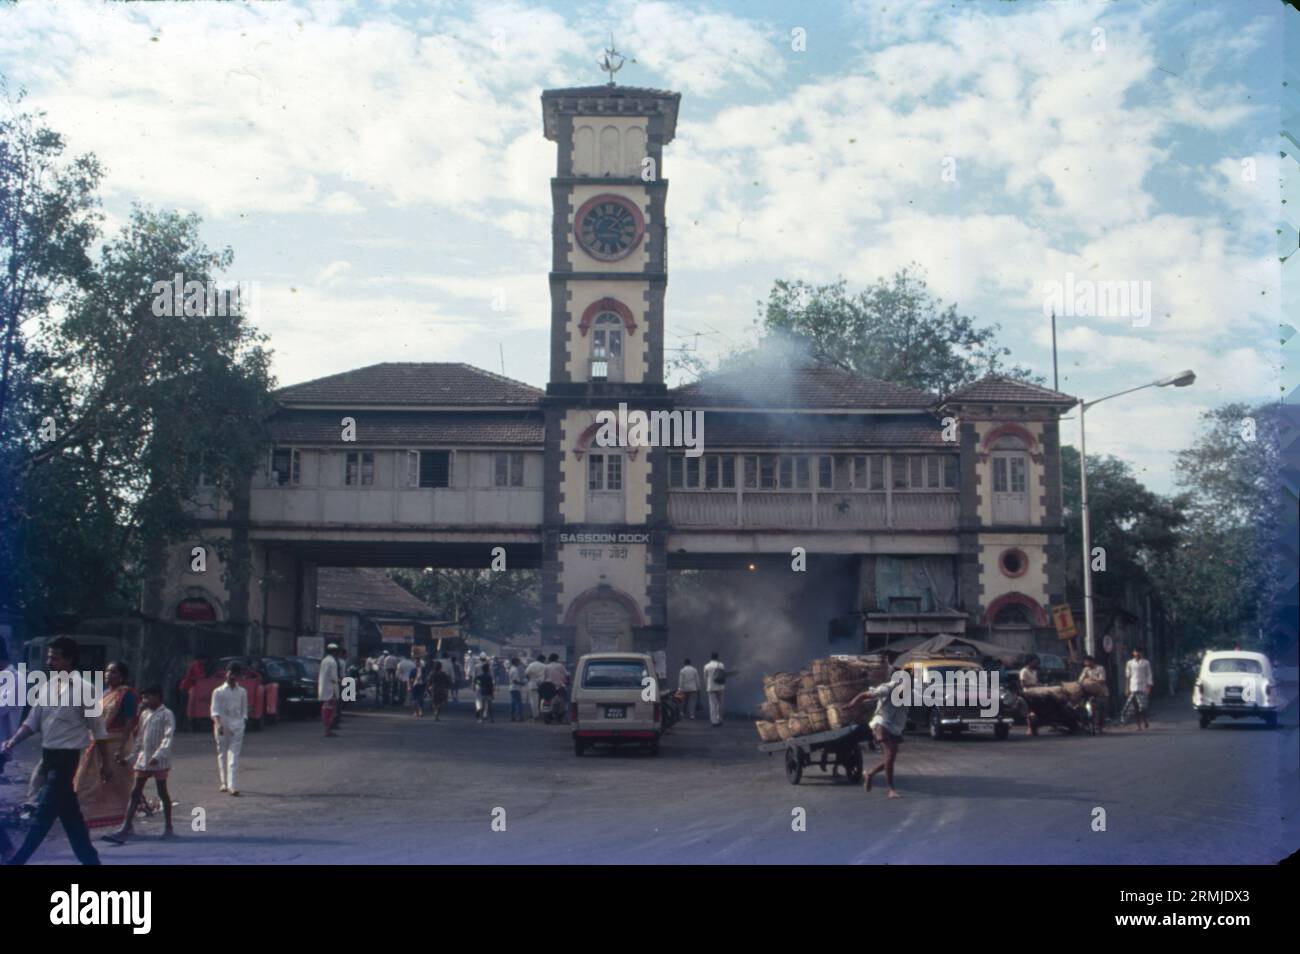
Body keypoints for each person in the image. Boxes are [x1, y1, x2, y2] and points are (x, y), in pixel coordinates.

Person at [1, 636, 107, 865]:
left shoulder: (85, 690)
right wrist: (13, 741)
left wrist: (106, 764)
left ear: (69, 659)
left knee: (43, 816)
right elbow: (32, 722)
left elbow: (98, 730)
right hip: (48, 758)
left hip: (67, 759)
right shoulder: (46, 688)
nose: (50, 662)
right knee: (71, 818)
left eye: (55, 658)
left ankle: (17, 861)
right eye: (50, 657)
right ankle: (91, 861)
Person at [102, 687, 176, 844]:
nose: (143, 701)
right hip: (143, 760)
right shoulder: (144, 714)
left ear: (157, 696)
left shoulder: (167, 714)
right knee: (135, 793)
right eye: (142, 698)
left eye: (147, 697)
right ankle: (125, 827)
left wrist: (158, 755)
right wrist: (129, 759)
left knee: (162, 793)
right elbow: (139, 740)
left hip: (159, 762)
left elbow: (168, 738)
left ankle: (169, 827)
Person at [74, 661, 140, 831]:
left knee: (119, 786)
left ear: (122, 676)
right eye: (107, 671)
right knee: (88, 782)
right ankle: (89, 818)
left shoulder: (126, 695)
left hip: (118, 744)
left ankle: (126, 824)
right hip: (99, 743)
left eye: (113, 672)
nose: (108, 675)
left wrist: (121, 747)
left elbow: (129, 722)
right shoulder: (104, 694)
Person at [851, 667, 909, 799]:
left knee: (891, 758)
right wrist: (852, 703)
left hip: (895, 728)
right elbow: (865, 695)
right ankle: (891, 789)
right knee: (889, 755)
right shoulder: (887, 688)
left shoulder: (909, 692)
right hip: (881, 723)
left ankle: (870, 773)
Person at [211, 663, 248, 795]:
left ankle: (233, 785)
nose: (232, 676)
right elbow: (214, 711)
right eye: (230, 673)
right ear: (226, 673)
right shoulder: (218, 692)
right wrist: (218, 724)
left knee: (234, 756)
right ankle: (223, 782)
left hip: (237, 725)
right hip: (222, 724)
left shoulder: (242, 692)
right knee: (222, 753)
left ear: (238, 676)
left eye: (235, 674)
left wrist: (242, 723)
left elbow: (244, 712)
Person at [1123, 647, 1153, 730]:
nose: (1137, 654)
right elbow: (1128, 676)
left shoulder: (1146, 663)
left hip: (1143, 687)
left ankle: (1145, 720)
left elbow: (1149, 675)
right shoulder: (1129, 663)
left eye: (1139, 652)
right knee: (1135, 707)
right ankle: (1138, 725)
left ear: (1142, 653)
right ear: (1133, 653)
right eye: (1136, 652)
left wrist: (1149, 686)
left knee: (1143, 707)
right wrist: (1126, 688)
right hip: (1133, 687)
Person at [177, 653, 207, 731]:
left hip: (188, 688)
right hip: (186, 687)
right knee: (184, 707)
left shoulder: (198, 665)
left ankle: (182, 725)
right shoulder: (196, 664)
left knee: (186, 707)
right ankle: (179, 726)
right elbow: (199, 676)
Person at [1079, 655, 1107, 734]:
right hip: (1088, 692)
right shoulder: (1086, 669)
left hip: (1100, 692)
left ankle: (1099, 727)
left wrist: (1092, 679)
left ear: (1091, 661)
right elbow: (1080, 680)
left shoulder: (1100, 668)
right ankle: (1088, 725)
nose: (1085, 663)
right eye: (1085, 662)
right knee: (1085, 708)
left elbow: (1102, 680)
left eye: (1087, 661)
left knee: (1100, 710)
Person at [319, 644, 341, 737]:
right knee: (332, 710)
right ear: (334, 652)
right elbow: (334, 677)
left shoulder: (324, 660)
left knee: (327, 708)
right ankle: (328, 730)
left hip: (324, 688)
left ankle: (327, 729)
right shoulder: (332, 661)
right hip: (331, 688)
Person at [1017, 655, 1040, 736]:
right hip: (1028, 693)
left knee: (1036, 711)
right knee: (1029, 712)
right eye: (1034, 661)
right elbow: (1023, 684)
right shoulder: (1024, 671)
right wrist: (1034, 685)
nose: (1036, 663)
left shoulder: (1034, 671)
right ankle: (1030, 728)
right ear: (1029, 662)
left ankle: (1035, 729)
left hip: (1036, 692)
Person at [703, 652, 726, 727]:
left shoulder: (707, 666)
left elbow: (705, 677)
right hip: (720, 687)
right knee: (720, 704)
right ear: (717, 657)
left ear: (711, 657)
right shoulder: (721, 665)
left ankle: (714, 721)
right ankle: (720, 719)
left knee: (713, 704)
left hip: (711, 687)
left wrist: (706, 686)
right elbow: (723, 675)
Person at [524, 653, 546, 721]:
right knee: (542, 701)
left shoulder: (531, 664)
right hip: (542, 684)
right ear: (543, 660)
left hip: (532, 683)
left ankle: (535, 716)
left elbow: (526, 673)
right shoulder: (545, 666)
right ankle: (542, 714)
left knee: (534, 701)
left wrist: (529, 680)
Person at [508, 656, 527, 722]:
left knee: (513, 703)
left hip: (512, 688)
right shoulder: (515, 670)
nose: (519, 663)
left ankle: (512, 717)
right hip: (516, 688)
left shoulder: (511, 668)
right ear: (516, 662)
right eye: (519, 662)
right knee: (518, 703)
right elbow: (515, 680)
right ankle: (519, 717)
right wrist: (522, 683)